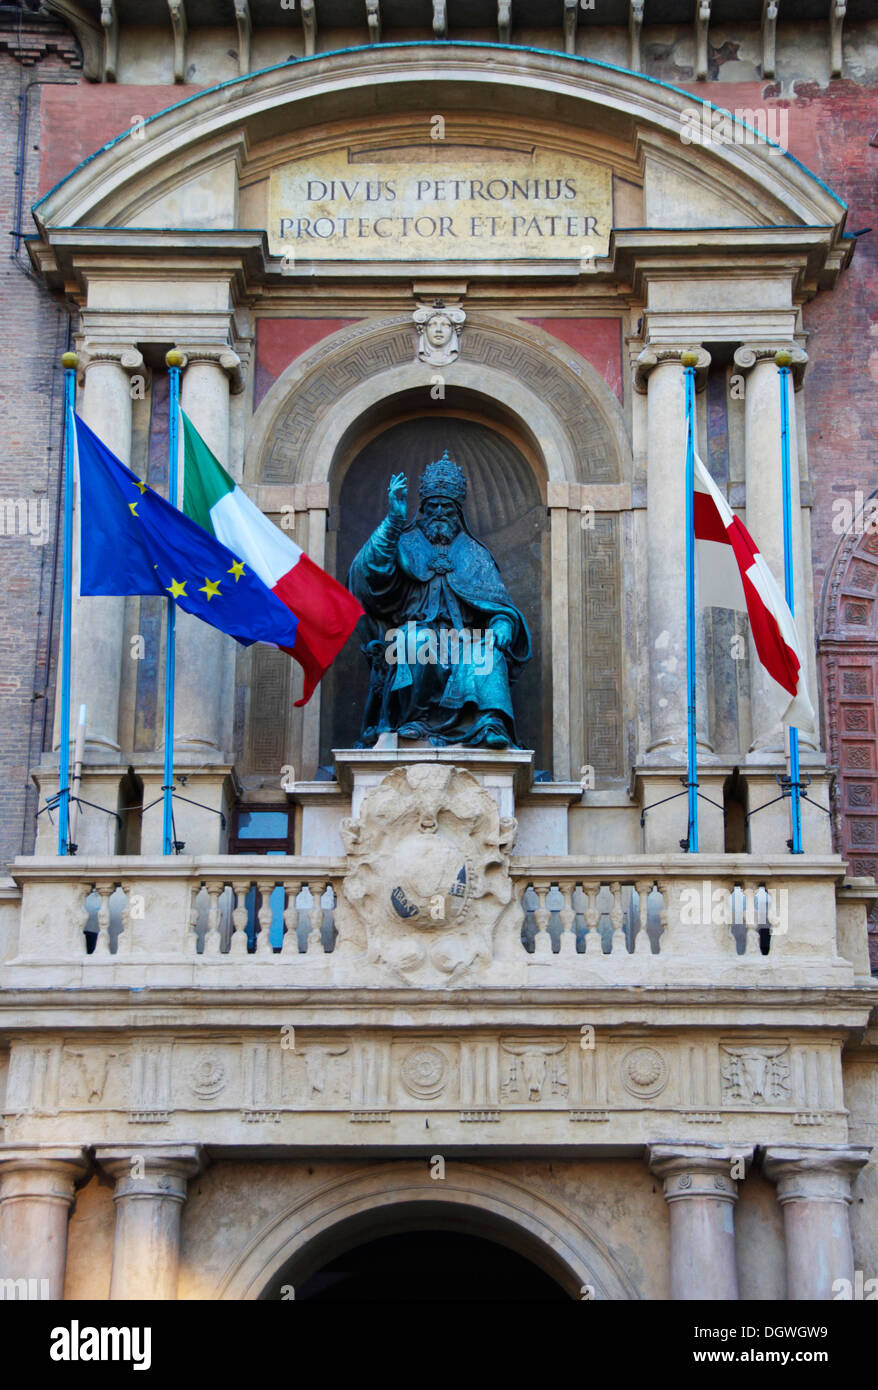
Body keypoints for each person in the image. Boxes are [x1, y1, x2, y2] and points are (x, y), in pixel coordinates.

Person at [348, 452, 531, 748]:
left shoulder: (474, 553)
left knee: (488, 655)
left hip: (467, 638)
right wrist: (394, 522)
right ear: (423, 509)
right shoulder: (405, 542)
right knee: (417, 642)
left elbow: (500, 604)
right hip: (415, 630)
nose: (440, 513)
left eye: (447, 508)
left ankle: (489, 726)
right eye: (433, 507)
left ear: (458, 513)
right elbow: (370, 573)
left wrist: (503, 625)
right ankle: (414, 722)